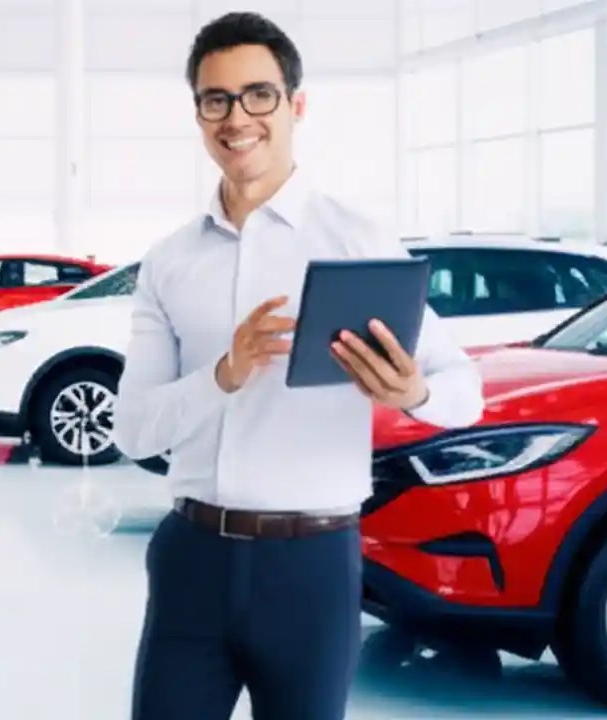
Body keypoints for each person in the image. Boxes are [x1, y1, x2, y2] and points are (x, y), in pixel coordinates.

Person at [112, 11, 484, 720]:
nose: (236, 117)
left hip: (311, 566)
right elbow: (132, 430)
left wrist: (413, 390)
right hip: (193, 556)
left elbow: (463, 391)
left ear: (296, 105)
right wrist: (224, 373)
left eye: (258, 95)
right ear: (198, 114)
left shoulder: (356, 238)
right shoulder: (170, 262)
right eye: (214, 100)